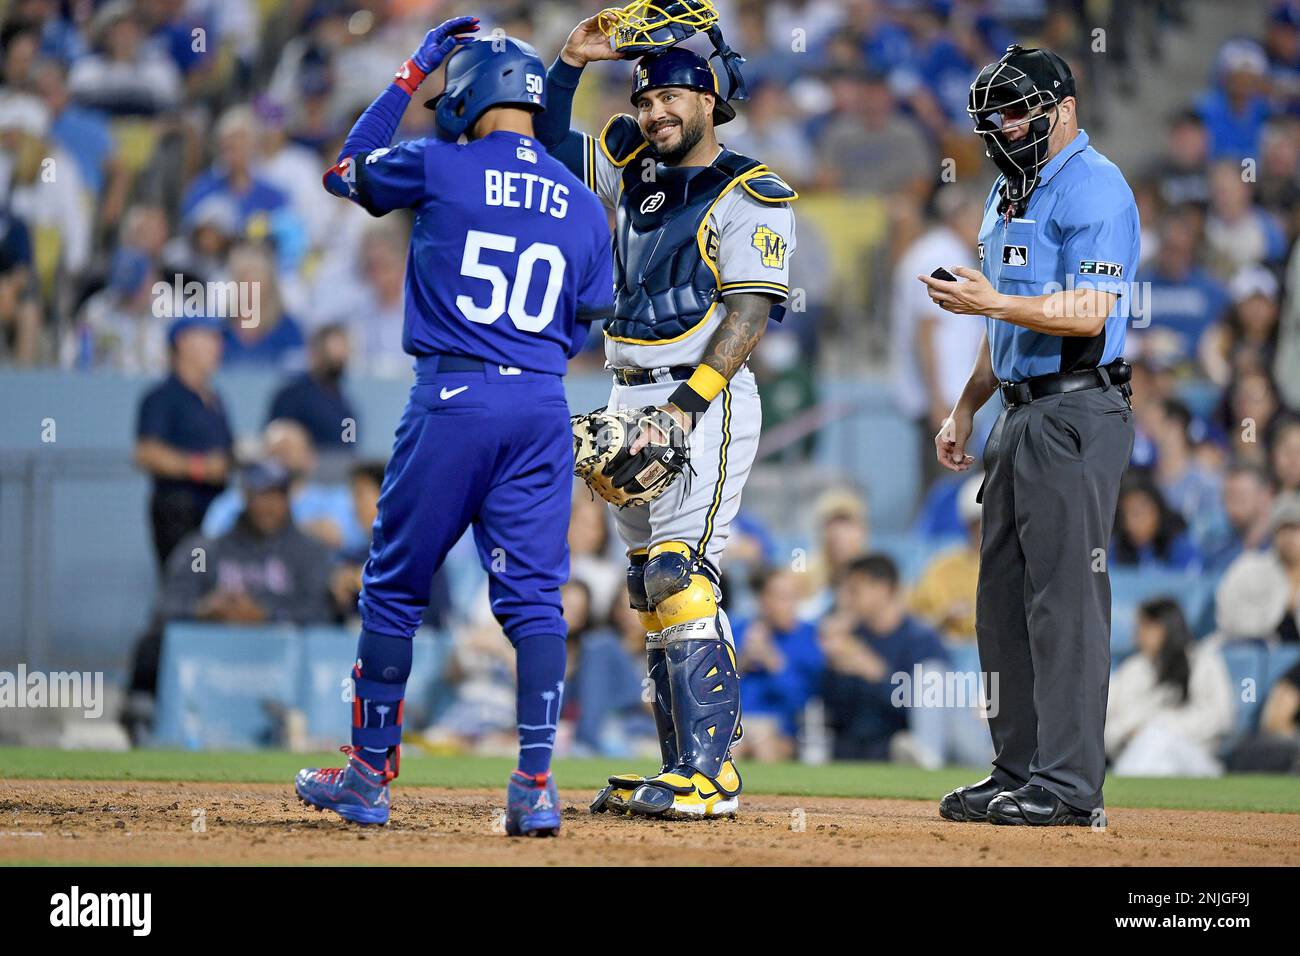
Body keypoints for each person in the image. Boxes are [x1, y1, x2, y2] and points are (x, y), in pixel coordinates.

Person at [292, 20, 613, 837]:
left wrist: (410, 70)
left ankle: (367, 776)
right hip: (543, 405)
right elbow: (587, 315)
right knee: (538, 602)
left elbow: (341, 172)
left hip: (453, 396)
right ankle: (535, 785)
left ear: (469, 92)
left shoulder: (441, 162)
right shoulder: (583, 202)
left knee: (395, 588)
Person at [537, 10, 798, 819]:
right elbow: (548, 150)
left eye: (673, 98)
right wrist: (571, 63)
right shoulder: (635, 173)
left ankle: (713, 777)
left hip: (703, 395)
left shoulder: (755, 188)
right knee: (649, 591)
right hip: (628, 387)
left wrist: (682, 414)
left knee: (683, 574)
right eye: (645, 100)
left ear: (711, 100)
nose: (655, 112)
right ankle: (678, 769)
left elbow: (748, 315)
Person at [923, 45, 1139, 826]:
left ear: (1064, 109)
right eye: (993, 119)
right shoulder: (1010, 193)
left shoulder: (1097, 188)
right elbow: (1007, 313)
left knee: (1066, 602)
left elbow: (1089, 311)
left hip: (1078, 409)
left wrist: (991, 307)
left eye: (1018, 113)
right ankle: (1016, 768)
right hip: (1019, 409)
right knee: (1002, 604)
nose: (1004, 128)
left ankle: (1071, 785)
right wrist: (965, 405)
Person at [820, 555, 948, 761]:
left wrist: (878, 674)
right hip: (849, 748)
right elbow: (833, 711)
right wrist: (829, 664)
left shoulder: (921, 639)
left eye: (855, 591)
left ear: (883, 589)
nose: (846, 599)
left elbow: (927, 713)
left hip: (902, 746)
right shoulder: (850, 637)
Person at [133, 317, 233, 569]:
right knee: (184, 586)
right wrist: (201, 468)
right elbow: (147, 453)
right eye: (210, 338)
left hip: (217, 509)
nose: (218, 347)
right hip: (179, 511)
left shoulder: (215, 399)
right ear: (184, 342)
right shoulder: (162, 397)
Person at [1105, 598, 1233, 777]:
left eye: (1144, 626)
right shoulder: (1131, 669)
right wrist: (1129, 734)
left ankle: (1122, 792)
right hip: (1137, 754)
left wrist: (1159, 727)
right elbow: (1107, 725)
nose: (1137, 635)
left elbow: (1220, 717)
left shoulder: (1203, 661)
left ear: (1165, 627)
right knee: (1155, 751)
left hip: (1194, 758)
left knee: (1156, 738)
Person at [732, 566, 824, 761]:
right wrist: (742, 662)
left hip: (781, 728)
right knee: (731, 745)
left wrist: (773, 662)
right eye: (781, 597)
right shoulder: (738, 631)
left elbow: (802, 701)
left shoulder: (809, 636)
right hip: (735, 723)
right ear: (762, 600)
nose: (789, 605)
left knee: (762, 744)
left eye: (792, 597)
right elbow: (712, 689)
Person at [266, 323, 359, 453]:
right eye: (329, 358)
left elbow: (349, 448)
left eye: (341, 358)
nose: (336, 363)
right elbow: (275, 442)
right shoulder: (291, 397)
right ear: (314, 354)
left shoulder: (345, 407)